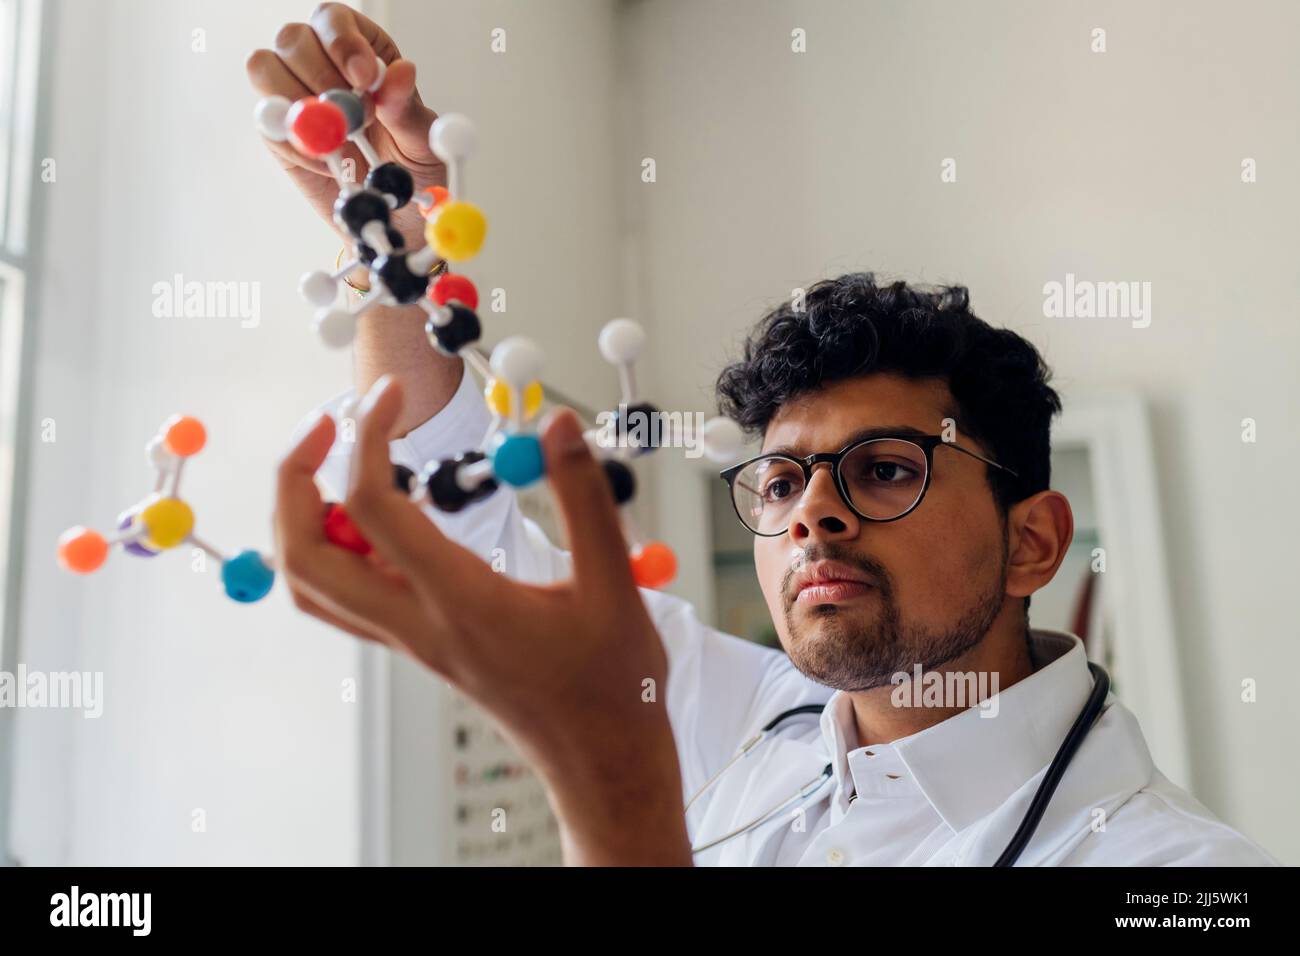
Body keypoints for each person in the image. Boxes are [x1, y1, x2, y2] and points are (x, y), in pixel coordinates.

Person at [248, 3, 1276, 866]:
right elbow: (455, 529)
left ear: (1033, 540)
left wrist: (609, 792)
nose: (812, 511)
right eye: (780, 482)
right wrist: (391, 249)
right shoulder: (745, 714)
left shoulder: (1175, 874)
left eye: (883, 469)